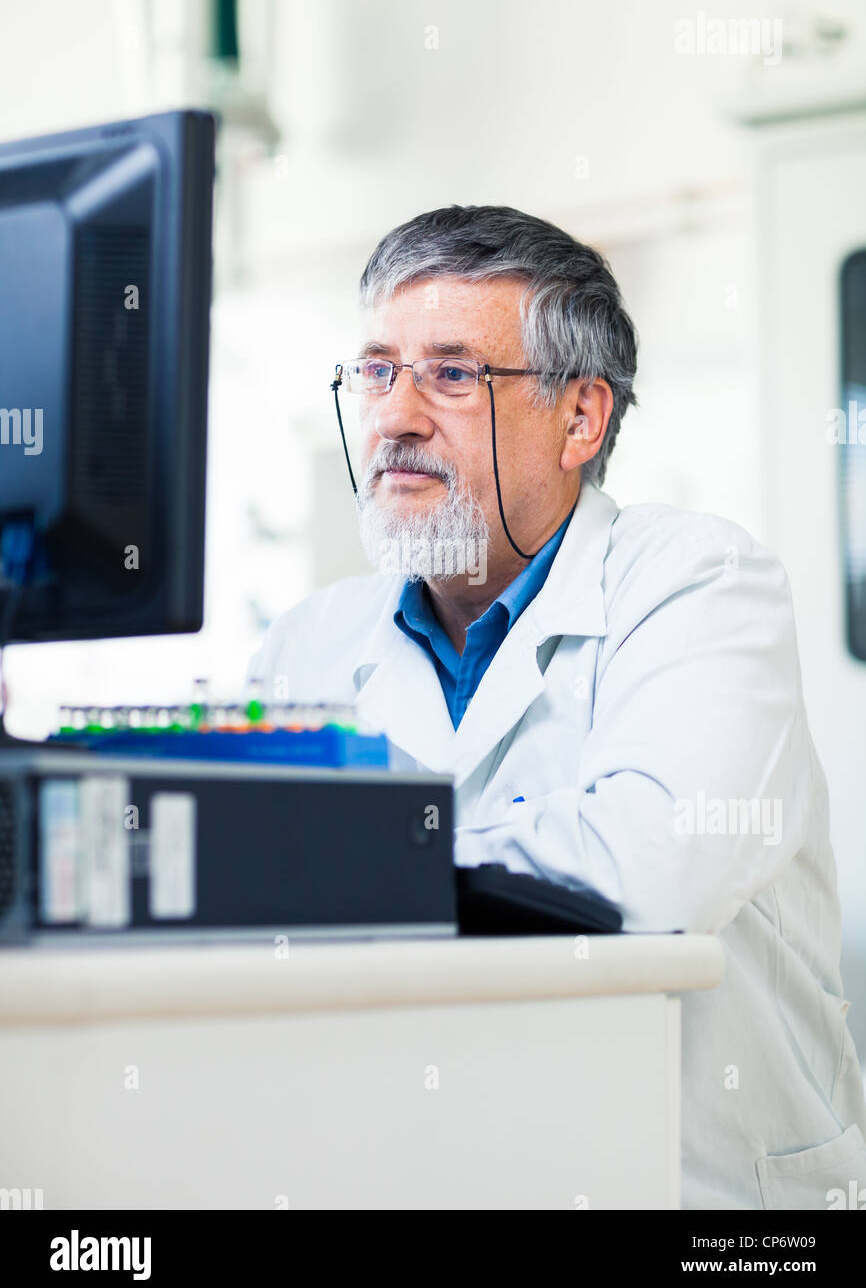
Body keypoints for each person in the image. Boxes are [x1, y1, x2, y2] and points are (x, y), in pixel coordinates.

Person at [248, 204, 866, 1209]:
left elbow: (647, 870)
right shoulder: (307, 643)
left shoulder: (698, 582)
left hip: (702, 1197)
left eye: (451, 374)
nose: (394, 416)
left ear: (579, 417)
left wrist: (331, 862)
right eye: (373, 370)